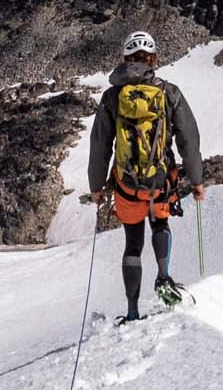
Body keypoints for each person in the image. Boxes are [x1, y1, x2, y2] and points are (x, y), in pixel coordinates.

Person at [86, 30, 204, 323]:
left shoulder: (113, 96)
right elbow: (188, 139)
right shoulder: (168, 92)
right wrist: (197, 179)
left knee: (133, 243)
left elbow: (100, 144)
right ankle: (163, 278)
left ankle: (132, 311)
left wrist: (96, 186)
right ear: (153, 58)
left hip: (126, 186)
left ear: (125, 58)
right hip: (159, 182)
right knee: (160, 224)